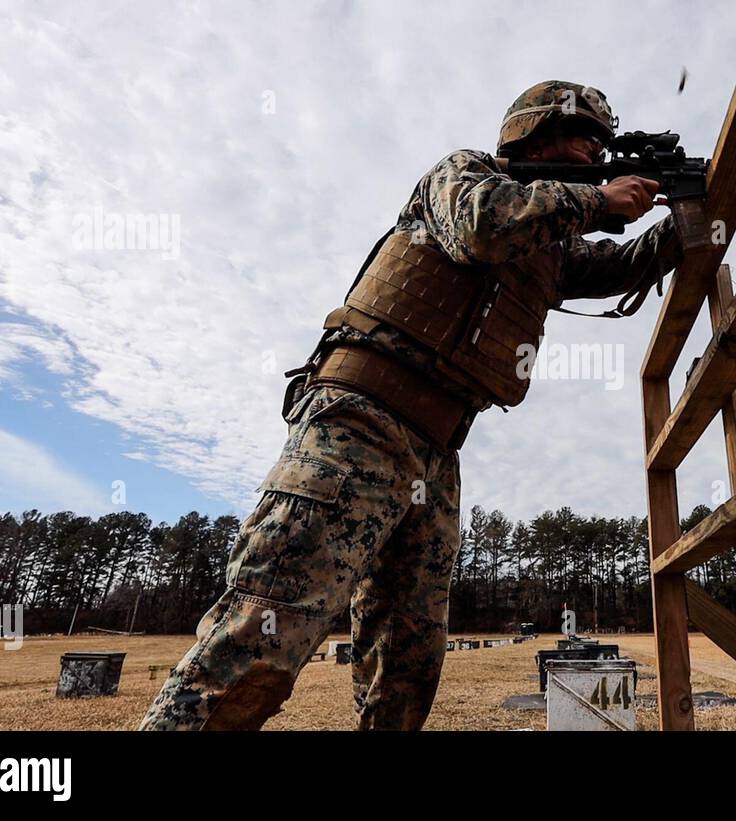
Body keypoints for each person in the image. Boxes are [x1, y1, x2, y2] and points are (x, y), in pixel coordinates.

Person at [139, 80, 685, 730]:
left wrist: (693, 211)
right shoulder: (465, 175)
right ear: (529, 135)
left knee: (406, 666)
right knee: (258, 642)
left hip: (437, 456)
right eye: (579, 136)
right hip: (358, 423)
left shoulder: (551, 244)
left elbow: (623, 266)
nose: (593, 151)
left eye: (600, 144)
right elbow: (482, 223)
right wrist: (599, 199)